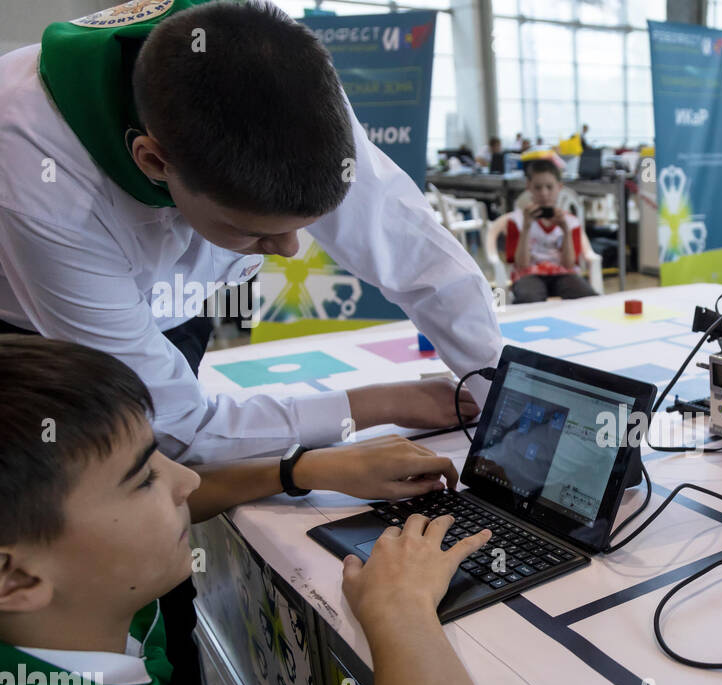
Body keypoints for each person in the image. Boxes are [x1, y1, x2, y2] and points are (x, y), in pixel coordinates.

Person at [0, 336, 515, 685]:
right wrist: (401, 609)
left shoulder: (62, 600)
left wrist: (302, 470)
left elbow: (122, 512)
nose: (189, 480)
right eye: (143, 479)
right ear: (14, 577)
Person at [0, 1, 500, 466]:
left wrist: (498, 391)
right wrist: (372, 404)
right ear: (155, 161)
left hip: (174, 302)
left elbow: (416, 254)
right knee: (115, 474)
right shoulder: (38, 174)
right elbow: (176, 428)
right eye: (255, 233)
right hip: (35, 337)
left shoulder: (275, 74)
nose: (288, 251)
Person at [504, 156, 596, 303]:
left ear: (559, 187)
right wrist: (526, 228)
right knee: (528, 298)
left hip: (563, 274)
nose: (544, 193)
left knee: (587, 296)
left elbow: (569, 264)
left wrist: (565, 230)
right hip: (529, 275)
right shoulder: (517, 221)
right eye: (538, 187)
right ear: (528, 186)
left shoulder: (571, 222)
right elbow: (522, 265)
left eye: (549, 187)